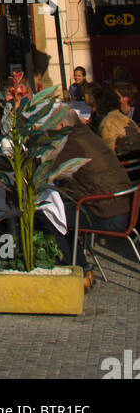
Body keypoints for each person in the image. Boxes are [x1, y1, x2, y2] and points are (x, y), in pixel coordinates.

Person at [50, 111, 134, 287]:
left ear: (62, 126)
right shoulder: (86, 134)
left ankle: (77, 269)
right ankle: (82, 265)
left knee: (50, 215)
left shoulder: (72, 143)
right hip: (120, 207)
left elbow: (46, 172)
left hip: (108, 214)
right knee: (61, 209)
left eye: (51, 125)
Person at [98, 84, 140, 157]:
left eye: (116, 97)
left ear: (126, 98)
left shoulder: (137, 114)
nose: (113, 100)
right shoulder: (117, 115)